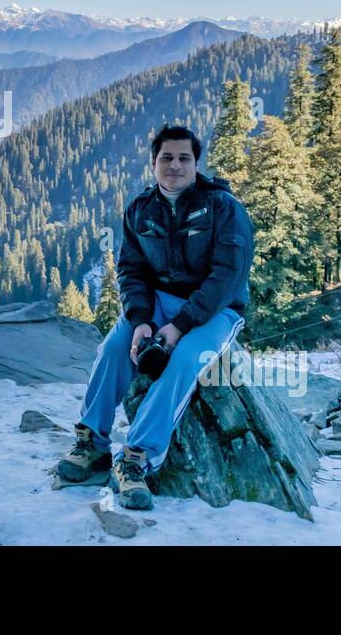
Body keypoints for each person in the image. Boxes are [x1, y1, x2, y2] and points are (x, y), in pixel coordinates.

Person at [57, 124, 254, 509]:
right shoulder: (140, 209)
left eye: (185, 158)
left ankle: (136, 459)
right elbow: (130, 270)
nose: (175, 166)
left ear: (197, 164)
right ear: (153, 163)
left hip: (216, 310)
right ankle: (92, 442)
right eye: (167, 157)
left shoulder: (224, 208)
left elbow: (228, 277)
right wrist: (142, 318)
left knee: (182, 361)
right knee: (114, 347)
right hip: (158, 304)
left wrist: (180, 326)